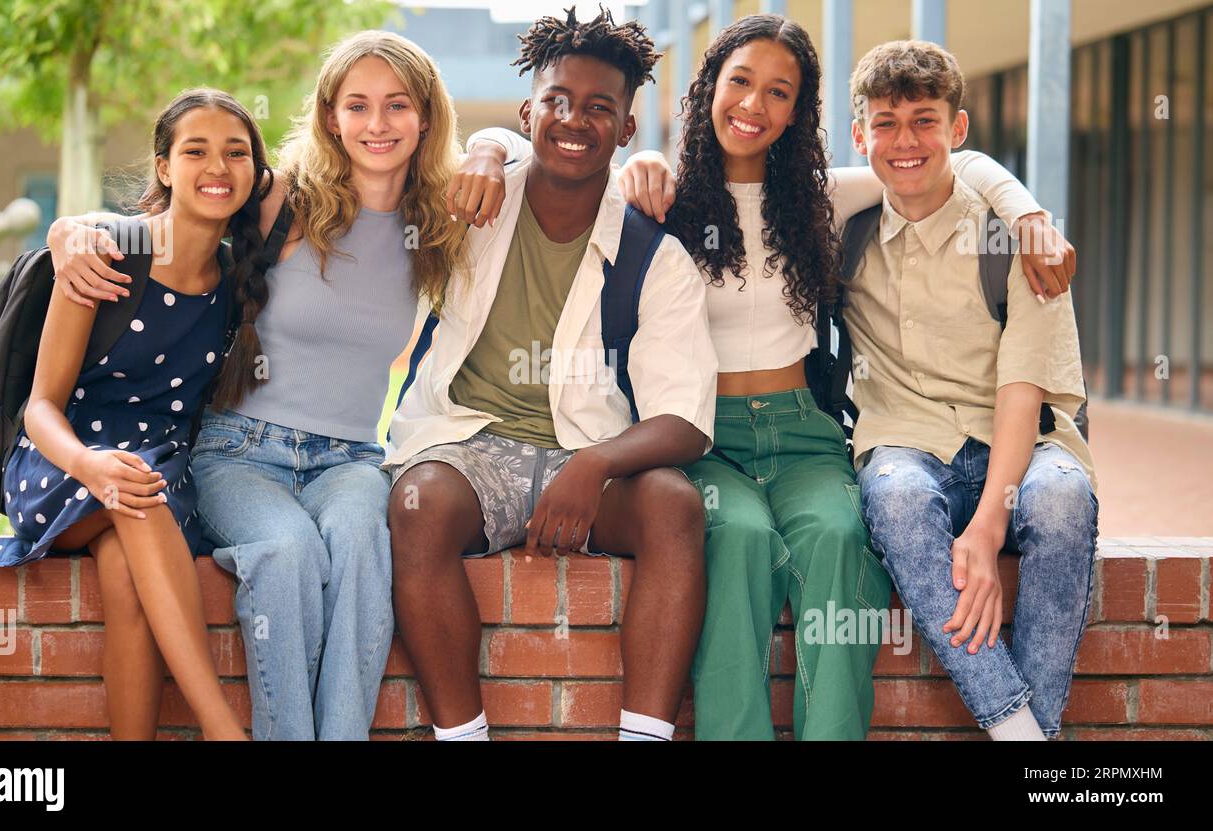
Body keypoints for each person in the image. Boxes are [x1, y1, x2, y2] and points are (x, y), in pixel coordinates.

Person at [466, 12, 1074, 740]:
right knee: (739, 541)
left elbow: (955, 160)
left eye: (778, 93)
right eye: (741, 83)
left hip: (802, 433)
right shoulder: (657, 192)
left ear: (798, 111)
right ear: (710, 88)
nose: (754, 106)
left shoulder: (826, 196)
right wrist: (483, 145)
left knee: (841, 538)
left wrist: (1027, 210)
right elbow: (526, 143)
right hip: (700, 435)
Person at [46, 32, 501, 740]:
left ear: (426, 117)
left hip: (348, 458)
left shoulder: (440, 219)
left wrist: (490, 148)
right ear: (330, 117)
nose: (376, 124)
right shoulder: (284, 199)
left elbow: (544, 161)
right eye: (357, 105)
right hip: (239, 452)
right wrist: (70, 230)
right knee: (286, 554)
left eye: (396, 106)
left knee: (360, 543)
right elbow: (176, 206)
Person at [386, 7, 717, 742]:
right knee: (414, 503)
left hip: (589, 454)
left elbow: (687, 420)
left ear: (628, 129)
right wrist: (483, 149)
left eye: (600, 107)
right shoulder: (470, 205)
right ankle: (463, 735)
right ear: (528, 109)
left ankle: (644, 734)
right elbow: (374, 169)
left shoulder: (653, 254)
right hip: (470, 444)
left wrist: (595, 462)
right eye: (557, 101)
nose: (574, 120)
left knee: (675, 507)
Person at [0, 89, 263, 740]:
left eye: (235, 152)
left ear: (255, 171)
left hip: (157, 472)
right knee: (136, 498)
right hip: (62, 458)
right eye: (196, 151)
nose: (217, 166)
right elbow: (42, 405)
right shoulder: (108, 253)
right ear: (164, 167)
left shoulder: (235, 276)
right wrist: (88, 464)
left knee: (127, 580)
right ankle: (223, 728)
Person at [846, 40, 1096, 740]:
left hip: (1023, 442)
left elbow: (1022, 390)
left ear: (956, 131)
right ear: (860, 134)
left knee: (1062, 499)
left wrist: (988, 527)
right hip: (910, 441)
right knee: (893, 496)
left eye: (925, 121)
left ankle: (1028, 734)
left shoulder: (1018, 237)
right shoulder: (847, 228)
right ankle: (1022, 731)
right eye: (886, 123)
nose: (905, 142)